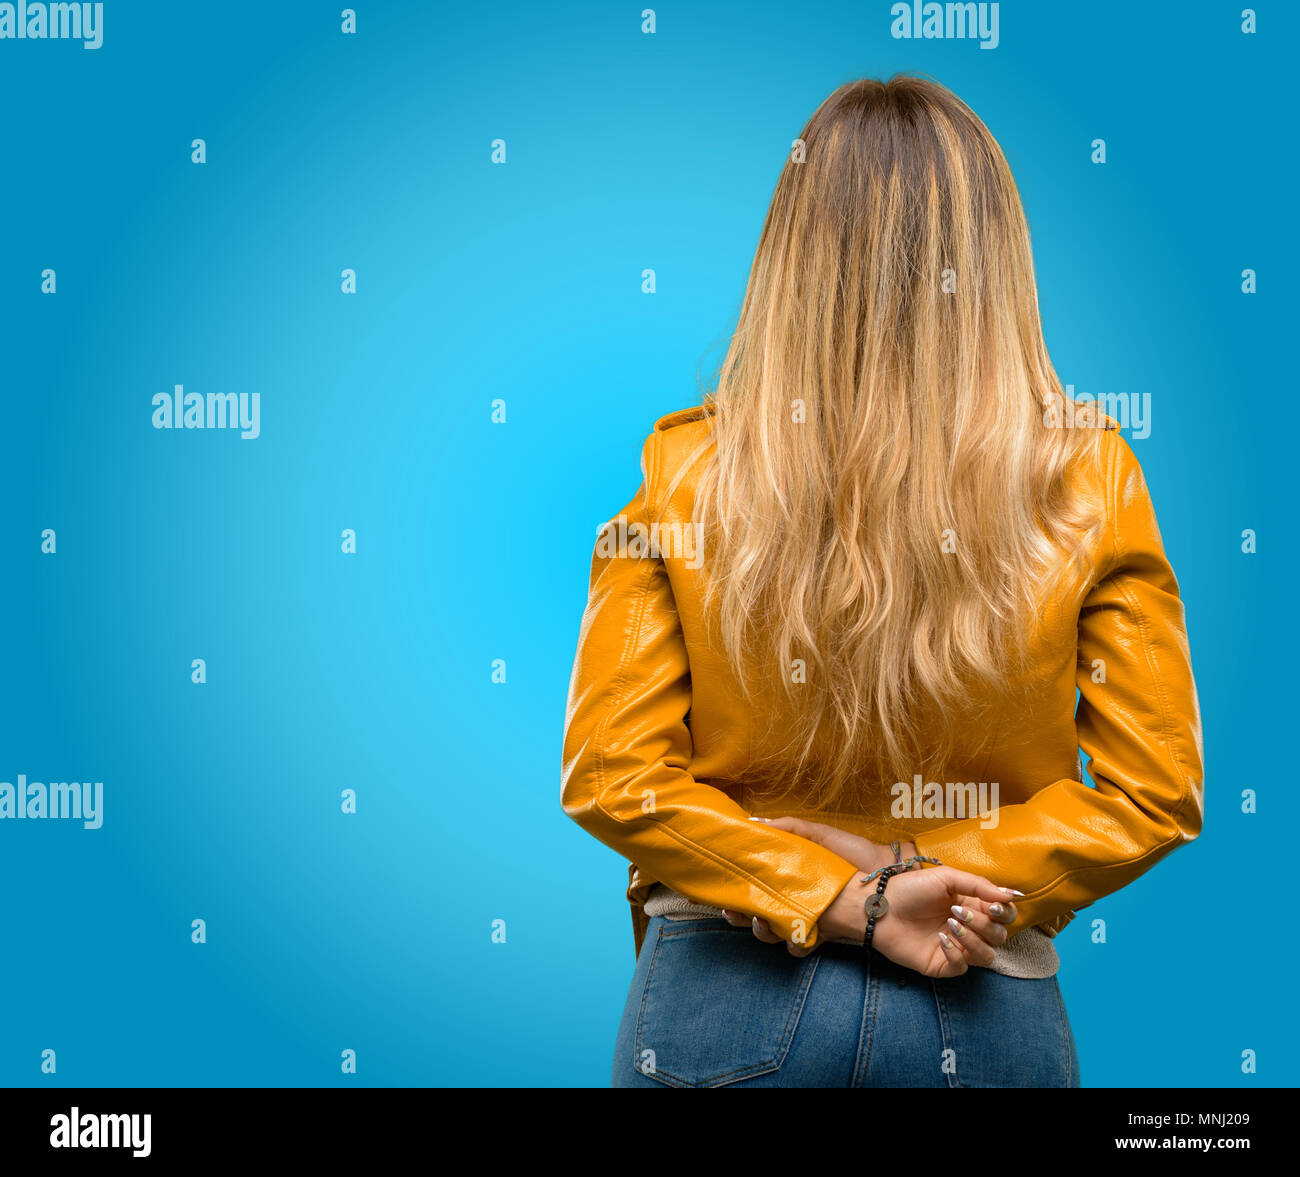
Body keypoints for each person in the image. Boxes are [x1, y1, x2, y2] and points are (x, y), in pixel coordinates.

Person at [560, 74, 1204, 1089]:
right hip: (984, 995)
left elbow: (609, 776)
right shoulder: (1089, 474)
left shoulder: (682, 474)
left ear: (790, 257)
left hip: (720, 999)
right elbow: (1153, 793)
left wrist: (839, 889)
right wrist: (921, 875)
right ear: (997, 257)